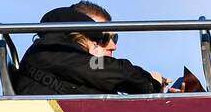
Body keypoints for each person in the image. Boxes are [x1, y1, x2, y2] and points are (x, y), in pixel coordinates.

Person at [15, 6, 164, 95]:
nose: (112, 46)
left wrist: (168, 100)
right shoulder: (52, 51)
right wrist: (150, 82)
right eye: (101, 38)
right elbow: (113, 71)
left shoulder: (59, 55)